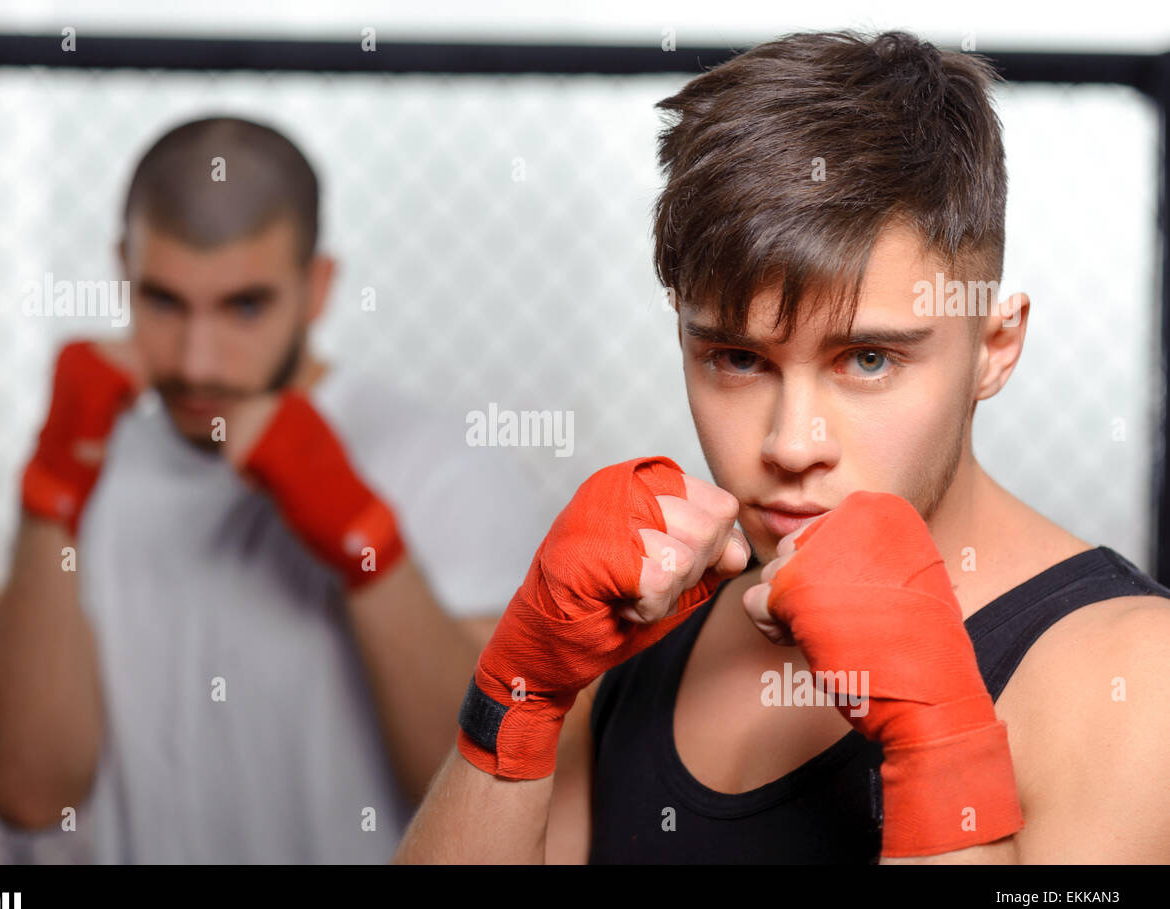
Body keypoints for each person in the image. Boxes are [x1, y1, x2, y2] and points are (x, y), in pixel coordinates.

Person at [395, 29, 1170, 864]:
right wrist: (520, 691)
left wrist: (939, 743)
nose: (791, 445)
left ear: (994, 346)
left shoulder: (1134, 678)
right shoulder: (637, 633)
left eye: (868, 359)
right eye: (738, 359)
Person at [0, 116, 548, 863]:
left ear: (317, 288)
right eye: (165, 301)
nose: (198, 359)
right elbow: (26, 789)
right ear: (123, 270)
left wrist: (366, 541)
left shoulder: (438, 466)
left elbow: (488, 790)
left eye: (244, 305)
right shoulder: (93, 464)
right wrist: (49, 491)